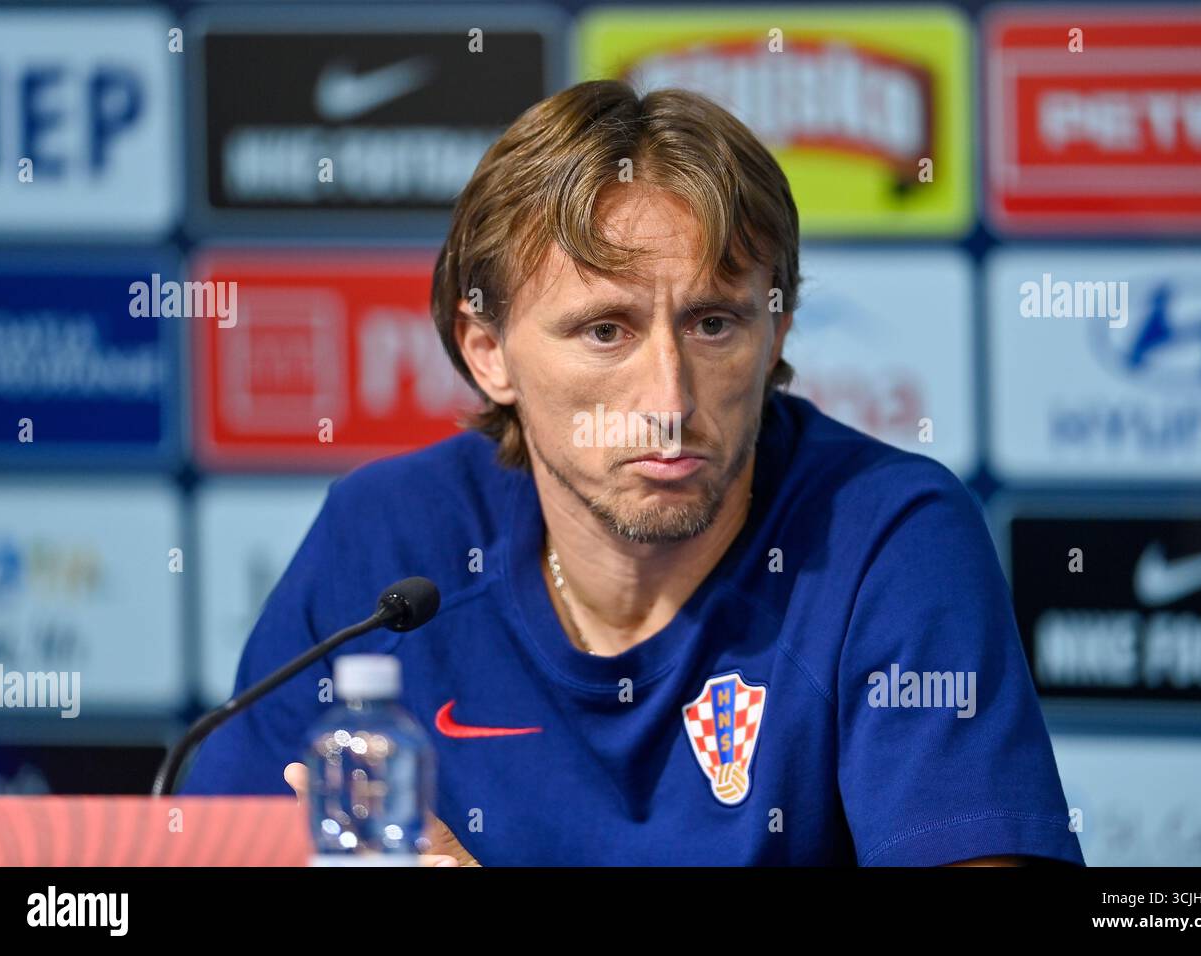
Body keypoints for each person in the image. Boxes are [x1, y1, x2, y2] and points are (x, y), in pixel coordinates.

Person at [180, 79, 1084, 868]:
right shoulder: (385, 541)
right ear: (487, 351)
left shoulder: (890, 537)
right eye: (605, 330)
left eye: (715, 324)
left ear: (778, 333)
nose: (669, 396)